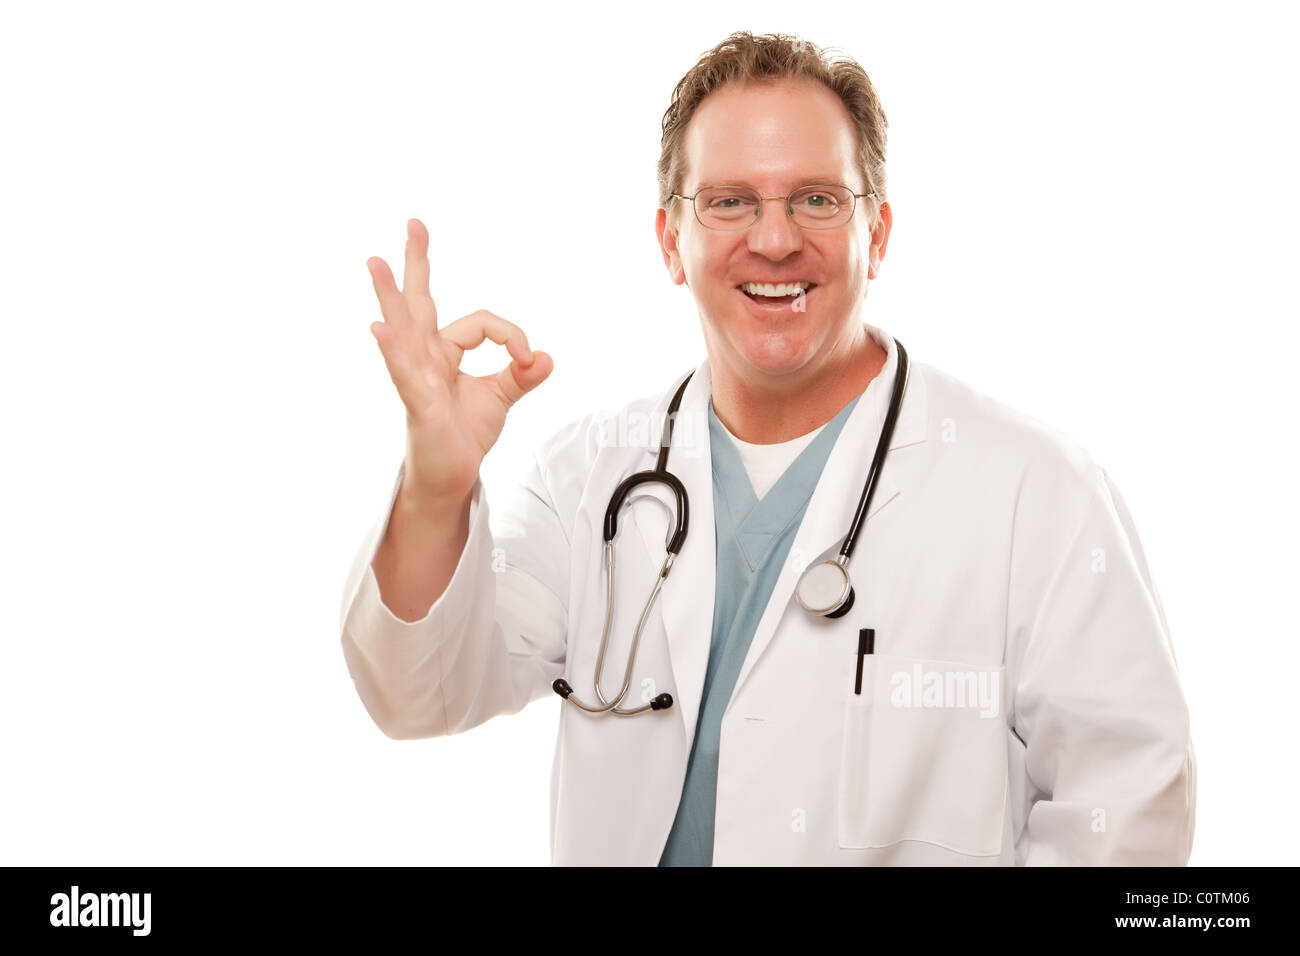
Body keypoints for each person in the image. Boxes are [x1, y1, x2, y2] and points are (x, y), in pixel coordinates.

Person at [339, 31, 1195, 866]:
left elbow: (1127, 811)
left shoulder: (1034, 493)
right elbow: (420, 693)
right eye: (730, 200)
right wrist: (436, 487)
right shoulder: (589, 478)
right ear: (672, 242)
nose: (776, 240)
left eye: (818, 199)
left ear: (879, 235)